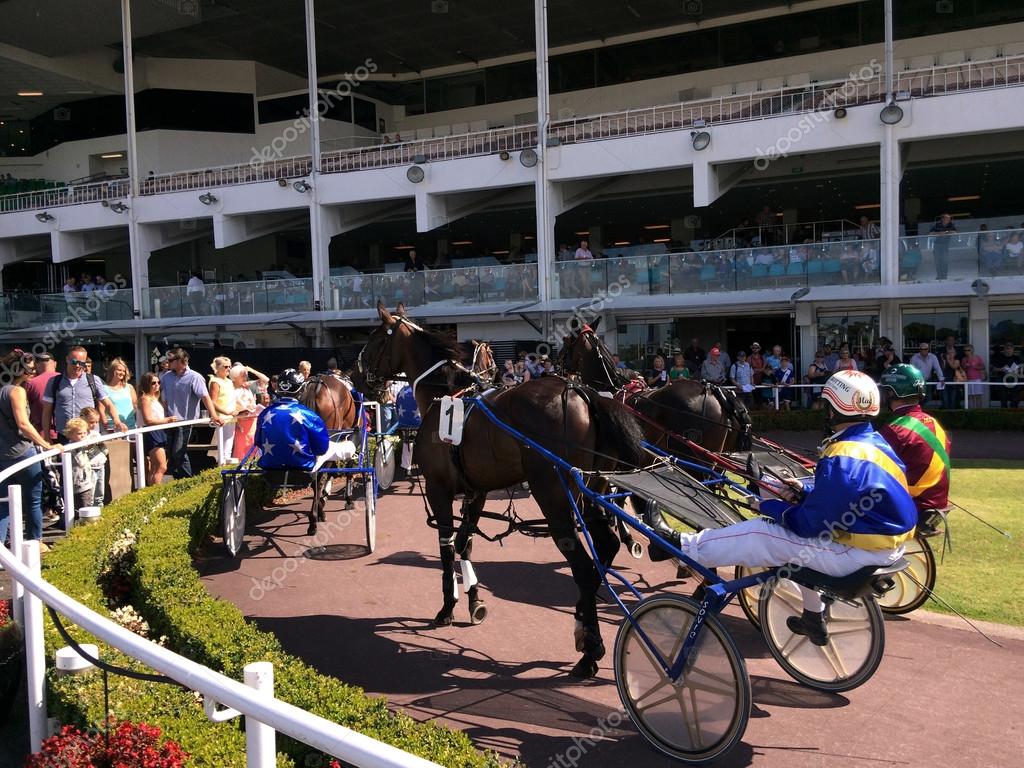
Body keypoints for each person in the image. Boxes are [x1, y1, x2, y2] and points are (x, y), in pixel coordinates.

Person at [644, 370, 916, 646]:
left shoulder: (842, 456)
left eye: (827, 406)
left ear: (836, 409)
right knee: (792, 545)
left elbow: (809, 526)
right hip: (883, 548)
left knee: (762, 533)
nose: (825, 412)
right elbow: (848, 493)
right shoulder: (874, 444)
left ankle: (680, 545)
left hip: (857, 555)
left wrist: (770, 507)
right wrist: (804, 491)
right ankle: (813, 616)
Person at [878, 364, 952, 536]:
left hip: (912, 508)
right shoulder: (934, 423)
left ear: (890, 393)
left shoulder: (895, 429)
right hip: (938, 503)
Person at [0, 350, 60, 550]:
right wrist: (47, 445)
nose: (34, 372)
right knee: (34, 500)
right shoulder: (16, 391)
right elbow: (24, 424)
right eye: (31, 368)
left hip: (1, 455)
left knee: (3, 505)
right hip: (22, 453)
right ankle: (35, 542)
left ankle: (2, 549)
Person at [41, 346, 129, 444]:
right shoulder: (54, 382)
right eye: (74, 362)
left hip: (89, 436)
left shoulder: (93, 380)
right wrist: (47, 437)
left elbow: (108, 404)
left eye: (82, 363)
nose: (78, 366)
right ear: (67, 359)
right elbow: (46, 412)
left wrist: (117, 422)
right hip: (65, 436)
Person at [160, 348, 221, 479]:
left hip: (186, 421)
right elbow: (161, 396)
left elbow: (205, 397)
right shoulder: (166, 377)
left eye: (171, 360)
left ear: (181, 361)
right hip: (169, 421)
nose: (168, 363)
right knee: (171, 453)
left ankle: (188, 479)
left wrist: (214, 415)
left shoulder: (195, 377)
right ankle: (179, 480)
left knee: (178, 452)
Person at [254, 370, 329, 472]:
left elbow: (258, 442)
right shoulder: (310, 415)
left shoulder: (264, 414)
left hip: (269, 467)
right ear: (302, 390)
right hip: (303, 467)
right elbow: (321, 449)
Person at [137, 371, 177, 486]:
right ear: (146, 384)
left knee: (156, 467)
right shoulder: (145, 399)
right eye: (153, 383)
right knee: (161, 466)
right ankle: (155, 492)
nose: (157, 385)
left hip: (160, 431)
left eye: (158, 382)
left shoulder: (154, 398)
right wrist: (167, 420)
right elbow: (148, 420)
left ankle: (152, 490)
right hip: (151, 432)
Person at [231, 364, 266, 461]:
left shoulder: (246, 388)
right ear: (235, 377)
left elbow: (265, 380)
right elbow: (233, 407)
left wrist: (252, 370)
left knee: (253, 445)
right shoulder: (231, 390)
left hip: (252, 422)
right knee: (241, 448)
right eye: (242, 375)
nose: (245, 377)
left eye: (245, 375)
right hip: (241, 423)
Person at [62, 418, 96, 508]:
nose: (83, 436)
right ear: (70, 434)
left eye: (85, 433)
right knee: (75, 507)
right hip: (74, 482)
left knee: (86, 506)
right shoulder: (69, 448)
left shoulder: (84, 445)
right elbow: (80, 462)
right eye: (79, 433)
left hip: (85, 483)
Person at [79, 407, 108, 506]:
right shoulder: (80, 435)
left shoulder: (96, 433)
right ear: (83, 419)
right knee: (91, 494)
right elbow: (81, 449)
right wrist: (91, 444)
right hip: (90, 468)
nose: (94, 425)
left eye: (96, 422)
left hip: (100, 465)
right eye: (91, 422)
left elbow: (103, 447)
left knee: (100, 493)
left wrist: (104, 451)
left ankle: (100, 513)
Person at [24, 352, 58, 438]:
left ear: (36, 365)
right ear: (55, 364)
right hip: (69, 432)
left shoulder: (30, 383)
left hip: (41, 435)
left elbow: (25, 409)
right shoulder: (66, 380)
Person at [208, 356, 236, 458]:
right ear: (217, 368)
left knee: (228, 449)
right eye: (225, 366)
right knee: (224, 450)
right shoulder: (215, 381)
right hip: (222, 419)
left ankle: (224, 471)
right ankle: (221, 471)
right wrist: (227, 413)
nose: (229, 369)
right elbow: (212, 402)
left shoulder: (229, 381)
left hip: (231, 419)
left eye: (230, 366)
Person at [104, 357, 137, 430]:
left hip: (130, 426)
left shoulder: (129, 387)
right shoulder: (104, 389)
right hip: (113, 428)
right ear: (112, 370)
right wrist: (106, 428)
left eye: (123, 371)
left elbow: (135, 406)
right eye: (119, 370)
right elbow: (102, 411)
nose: (122, 373)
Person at [989, 340, 1022, 409]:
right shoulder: (999, 357)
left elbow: (1021, 369)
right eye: (1007, 348)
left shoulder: (1017, 358)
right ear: (1004, 349)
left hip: (1014, 379)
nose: (1009, 350)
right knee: (1003, 398)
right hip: (1002, 378)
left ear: (1013, 349)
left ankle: (1014, 411)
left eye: (1010, 349)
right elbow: (993, 368)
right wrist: (1001, 369)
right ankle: (1004, 412)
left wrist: (1017, 370)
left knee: (1014, 398)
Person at [929, 213, 957, 280]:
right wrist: (939, 233)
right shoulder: (937, 225)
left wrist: (946, 232)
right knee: (938, 261)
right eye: (947, 218)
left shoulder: (951, 224)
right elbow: (930, 233)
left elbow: (955, 232)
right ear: (942, 219)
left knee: (945, 260)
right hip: (937, 245)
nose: (949, 220)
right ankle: (939, 275)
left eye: (949, 219)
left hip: (945, 245)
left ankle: (944, 276)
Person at [961, 343, 986, 409]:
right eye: (965, 350)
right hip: (968, 379)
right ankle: (972, 410)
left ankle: (979, 410)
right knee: (971, 396)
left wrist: (976, 367)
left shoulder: (977, 358)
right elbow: (962, 370)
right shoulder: (964, 359)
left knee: (978, 395)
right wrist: (965, 367)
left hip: (977, 379)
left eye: (968, 350)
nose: (966, 352)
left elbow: (983, 367)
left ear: (972, 350)